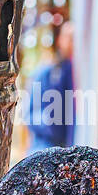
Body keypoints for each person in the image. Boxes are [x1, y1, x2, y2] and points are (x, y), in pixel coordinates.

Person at [25, 20, 74, 152]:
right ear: (60, 40)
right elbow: (29, 115)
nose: (73, 44)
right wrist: (49, 121)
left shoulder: (77, 74)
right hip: (45, 150)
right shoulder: (46, 73)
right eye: (70, 38)